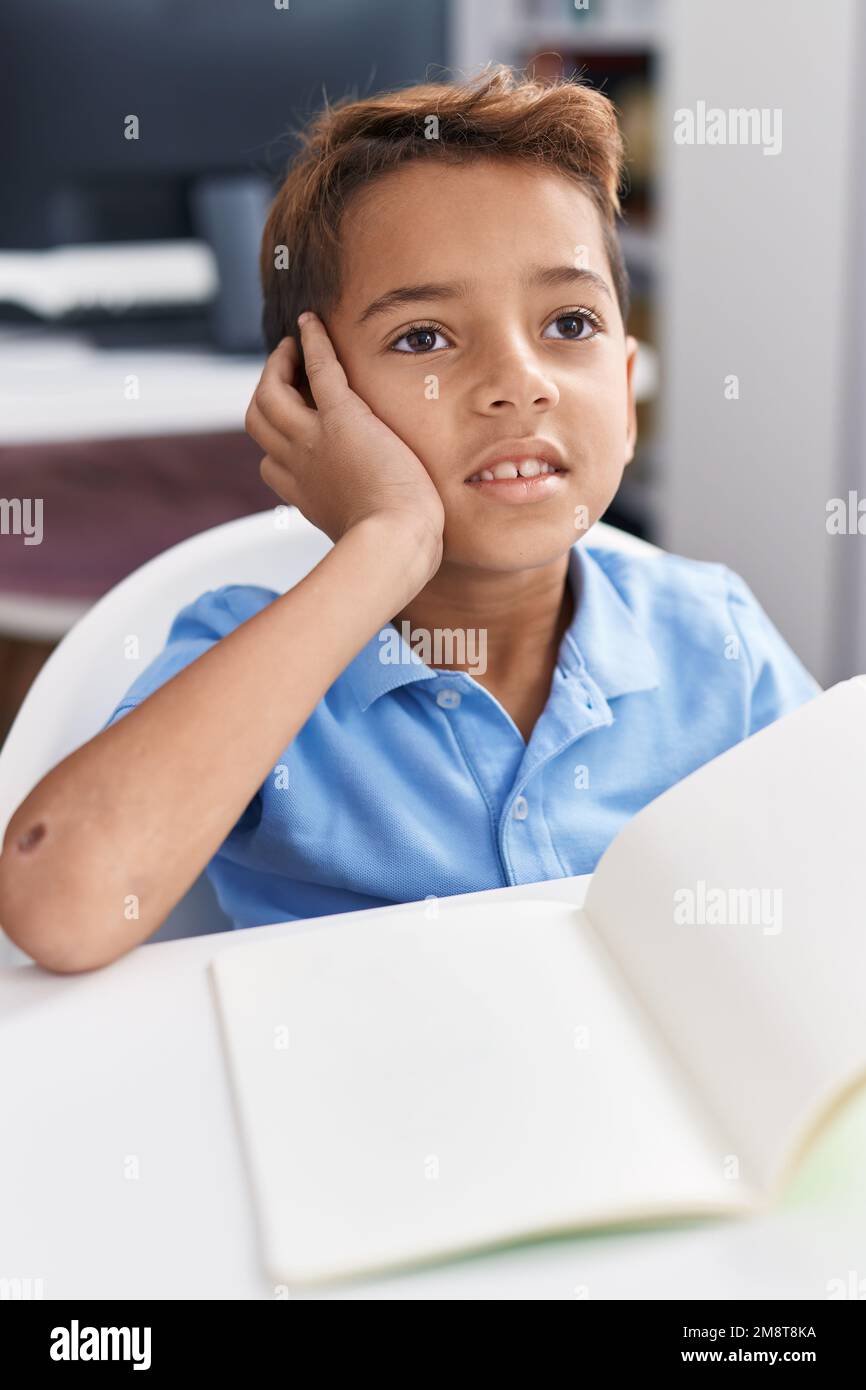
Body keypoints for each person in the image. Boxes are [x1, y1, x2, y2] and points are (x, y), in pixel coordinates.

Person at [0, 66, 820, 972]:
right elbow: (60, 907)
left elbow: (833, 887)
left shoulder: (715, 638)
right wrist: (386, 541)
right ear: (313, 406)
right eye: (424, 338)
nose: (519, 383)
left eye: (569, 323)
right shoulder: (252, 659)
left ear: (626, 398)